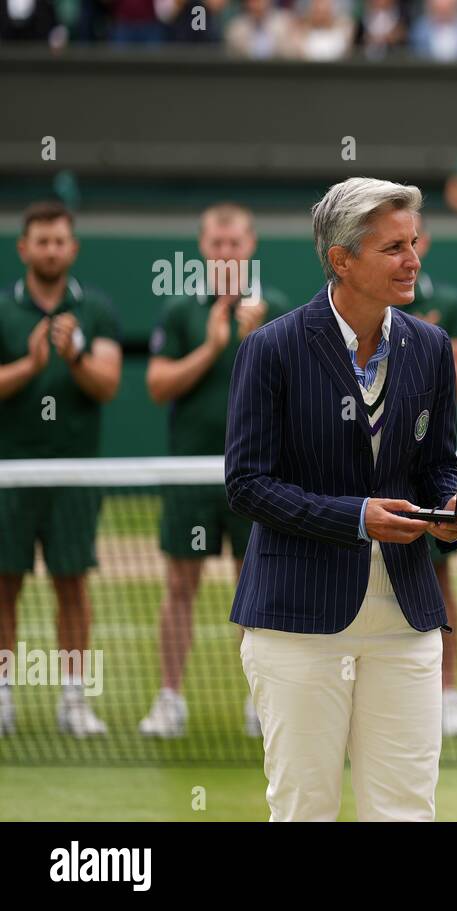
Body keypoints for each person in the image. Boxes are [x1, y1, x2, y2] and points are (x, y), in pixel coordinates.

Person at [226, 177, 457, 821]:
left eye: (413, 242)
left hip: (406, 622)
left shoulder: (431, 349)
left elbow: (436, 469)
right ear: (341, 259)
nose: (413, 259)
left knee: (405, 811)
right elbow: (247, 484)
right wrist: (356, 518)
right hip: (296, 623)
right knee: (304, 809)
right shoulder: (270, 349)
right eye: (393, 247)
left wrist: (446, 514)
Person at [140, 203, 291, 739]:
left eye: (235, 243)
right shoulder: (181, 310)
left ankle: (262, 705)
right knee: (180, 585)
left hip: (258, 477)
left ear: (249, 247)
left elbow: (298, 398)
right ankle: (169, 700)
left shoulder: (277, 311)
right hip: (190, 474)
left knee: (257, 588)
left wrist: (254, 343)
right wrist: (212, 347)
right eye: (216, 243)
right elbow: (158, 386)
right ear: (203, 248)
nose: (226, 252)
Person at [0, 201, 122, 738]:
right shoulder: (3, 309)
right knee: (4, 587)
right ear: (24, 249)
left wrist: (73, 355)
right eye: (41, 241)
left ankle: (74, 700)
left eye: (59, 241)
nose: (50, 249)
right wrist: (29, 364)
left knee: (72, 586)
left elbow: (108, 385)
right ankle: (3, 698)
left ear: (72, 249)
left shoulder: (95, 311)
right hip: (9, 476)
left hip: (74, 475)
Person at [402, 213, 457, 736]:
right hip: (367, 479)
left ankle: (449, 694)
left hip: (423, 464)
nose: (407, 252)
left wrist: (428, 348)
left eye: (413, 240)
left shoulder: (446, 306)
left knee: (440, 577)